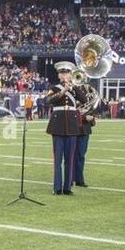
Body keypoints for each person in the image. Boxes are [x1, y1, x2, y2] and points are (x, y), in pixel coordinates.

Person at [45, 62, 81, 195]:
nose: (64, 75)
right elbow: (48, 101)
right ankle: (57, 187)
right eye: (62, 73)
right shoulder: (54, 88)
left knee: (69, 159)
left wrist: (72, 88)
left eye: (66, 73)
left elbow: (83, 99)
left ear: (71, 75)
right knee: (58, 159)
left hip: (71, 125)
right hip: (58, 125)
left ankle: (67, 188)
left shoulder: (75, 88)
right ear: (59, 75)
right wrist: (63, 91)